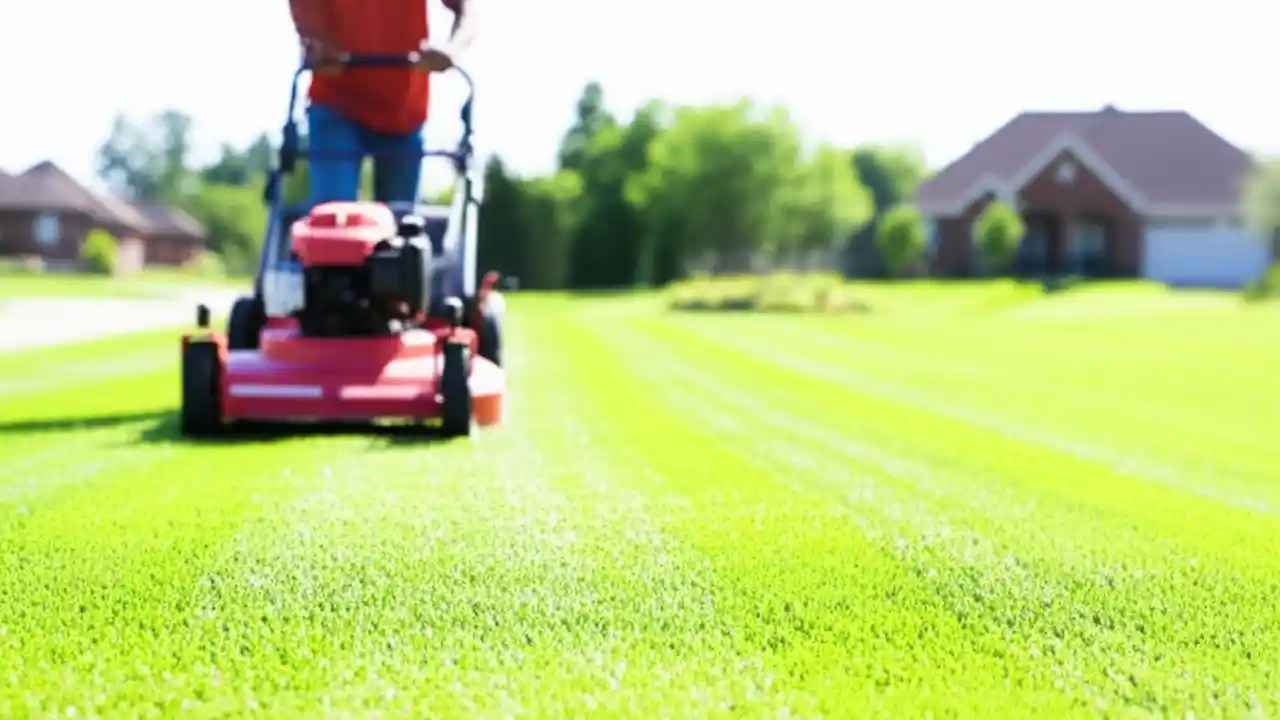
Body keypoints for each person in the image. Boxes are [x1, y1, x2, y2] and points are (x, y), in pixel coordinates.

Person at [287, 0, 477, 209]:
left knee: (401, 229)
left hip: (403, 113)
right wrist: (318, 42)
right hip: (336, 101)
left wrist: (451, 49)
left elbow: (467, 7)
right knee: (333, 218)